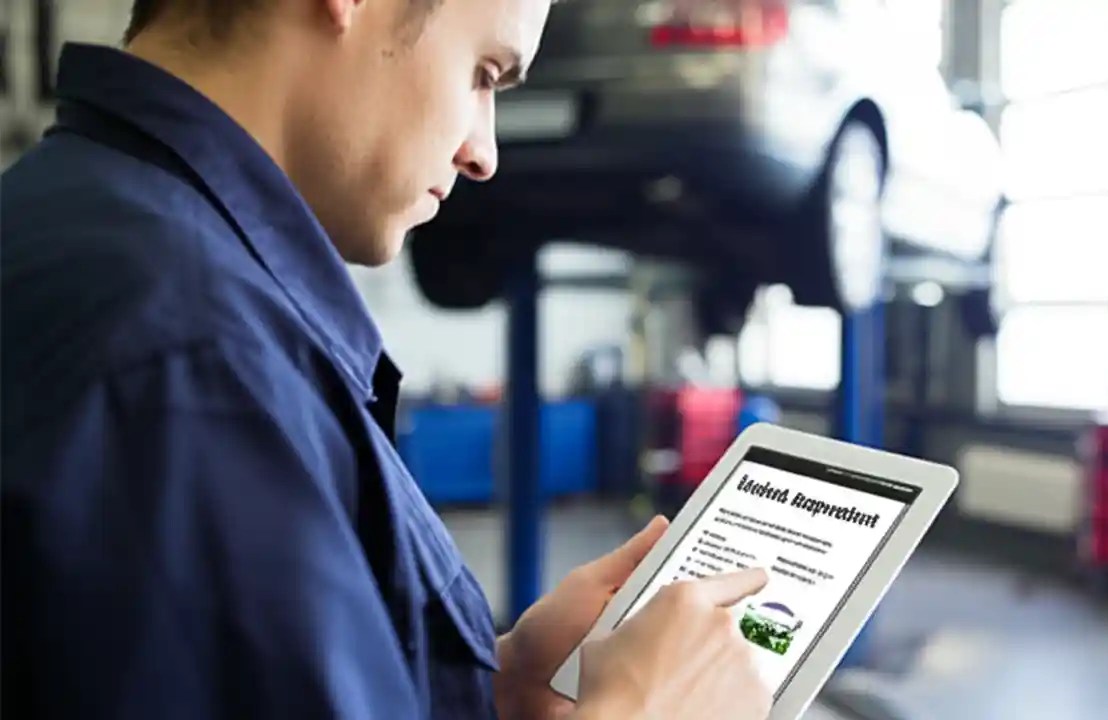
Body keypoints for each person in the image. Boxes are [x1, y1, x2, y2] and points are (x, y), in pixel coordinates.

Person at [0, 1, 773, 718]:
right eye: (482, 73)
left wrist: (490, 687)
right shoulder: (197, 363)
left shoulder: (79, 228)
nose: (484, 153)